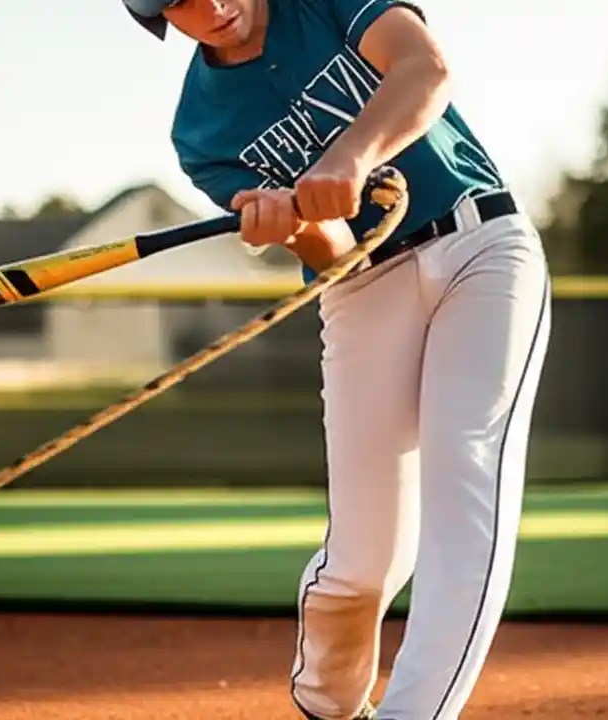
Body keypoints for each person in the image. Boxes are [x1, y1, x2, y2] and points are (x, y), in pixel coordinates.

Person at [123, 1, 552, 717]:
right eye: (185, 1)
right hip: (363, 285)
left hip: (483, 244)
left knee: (465, 480)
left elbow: (426, 68)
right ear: (159, 16)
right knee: (362, 563)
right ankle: (326, 704)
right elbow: (331, 253)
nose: (215, 6)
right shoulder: (198, 132)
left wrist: (347, 157)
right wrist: (287, 222)